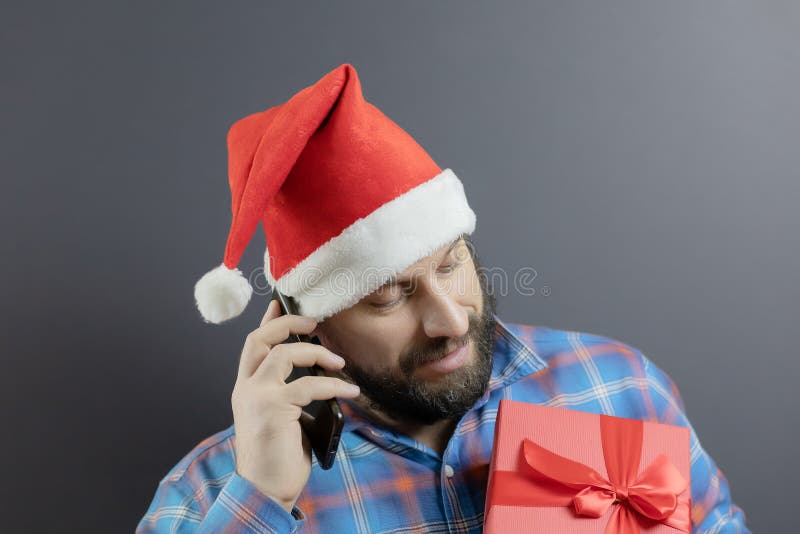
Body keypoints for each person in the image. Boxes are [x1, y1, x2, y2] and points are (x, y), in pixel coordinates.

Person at [136, 63, 749, 533]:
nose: (450, 319)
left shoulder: (622, 387)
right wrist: (262, 499)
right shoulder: (207, 494)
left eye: (451, 264)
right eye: (387, 297)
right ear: (308, 328)